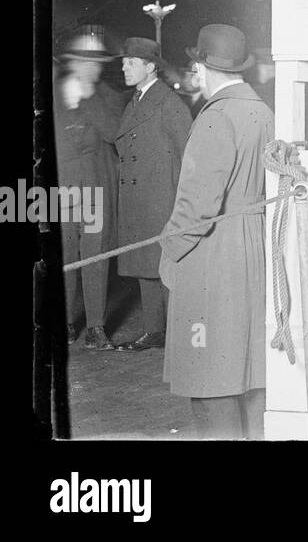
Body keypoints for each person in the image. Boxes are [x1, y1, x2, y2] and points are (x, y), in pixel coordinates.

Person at [159, 24, 273, 439]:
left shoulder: (216, 117)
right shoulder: (262, 110)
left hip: (214, 255)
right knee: (248, 371)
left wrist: (169, 252)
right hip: (253, 249)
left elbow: (196, 207)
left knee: (209, 372)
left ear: (201, 68)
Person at [114, 37, 193, 351]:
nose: (123, 67)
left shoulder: (169, 104)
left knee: (164, 266)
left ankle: (177, 334)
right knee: (145, 265)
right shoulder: (136, 99)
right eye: (124, 61)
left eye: (131, 62)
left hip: (162, 198)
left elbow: (188, 155)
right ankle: (154, 330)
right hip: (140, 198)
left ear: (150, 67)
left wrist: (182, 203)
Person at [54, 27, 126, 350]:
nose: (94, 68)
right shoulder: (52, 93)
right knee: (65, 256)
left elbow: (113, 133)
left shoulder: (107, 96)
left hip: (95, 189)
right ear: (74, 62)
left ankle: (95, 326)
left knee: (95, 257)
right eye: (88, 61)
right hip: (62, 189)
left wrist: (88, 98)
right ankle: (67, 322)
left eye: (98, 63)